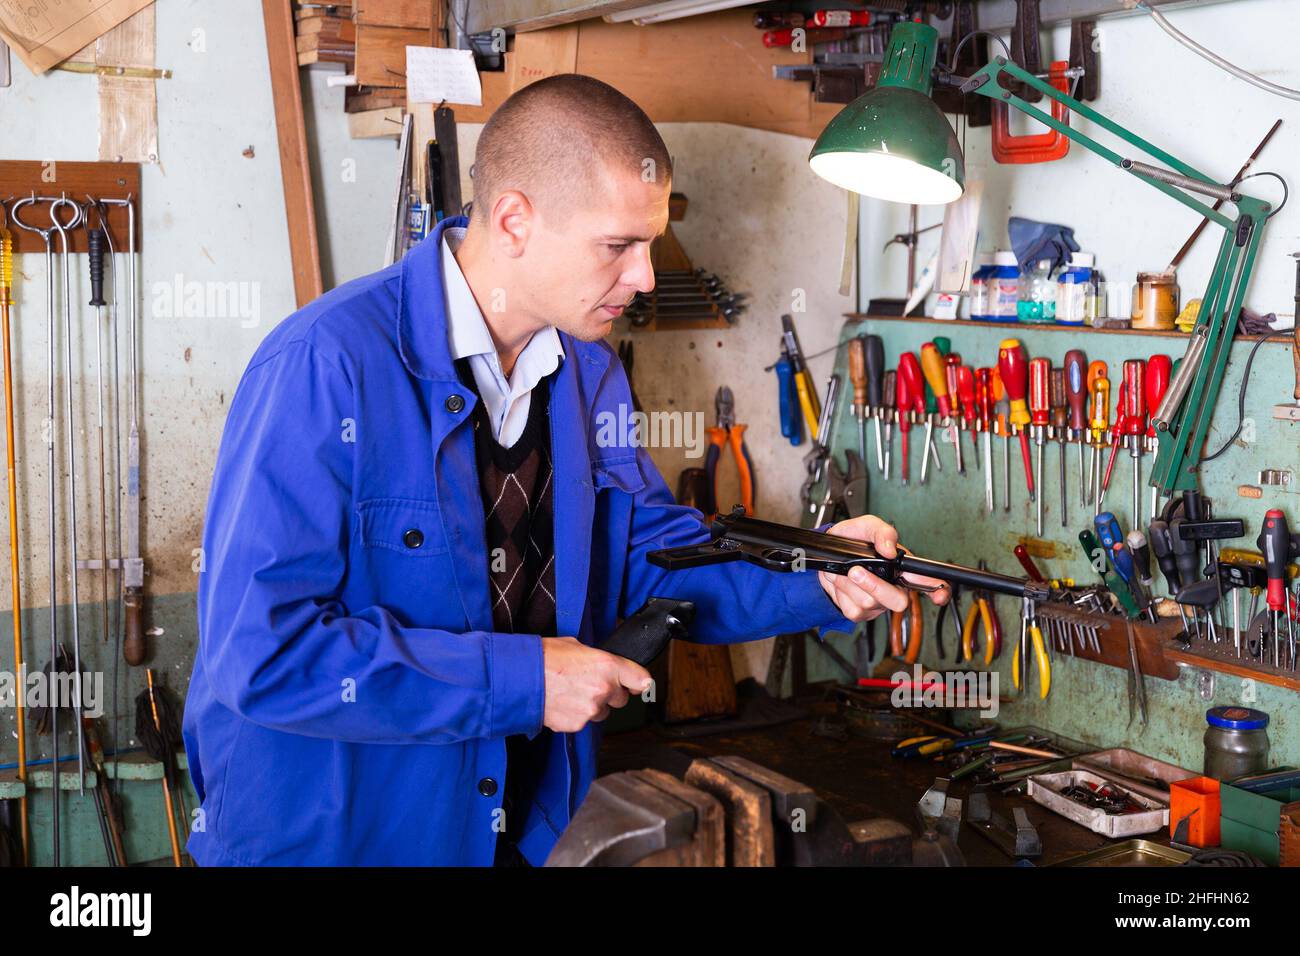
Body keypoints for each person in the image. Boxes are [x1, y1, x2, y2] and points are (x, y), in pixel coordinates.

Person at [182, 73, 946, 866]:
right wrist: (525, 682)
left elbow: (652, 564)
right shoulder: (324, 366)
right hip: (335, 842)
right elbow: (262, 653)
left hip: (516, 830)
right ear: (514, 218)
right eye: (619, 245)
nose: (647, 276)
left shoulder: (587, 375)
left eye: (650, 243)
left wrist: (815, 572)